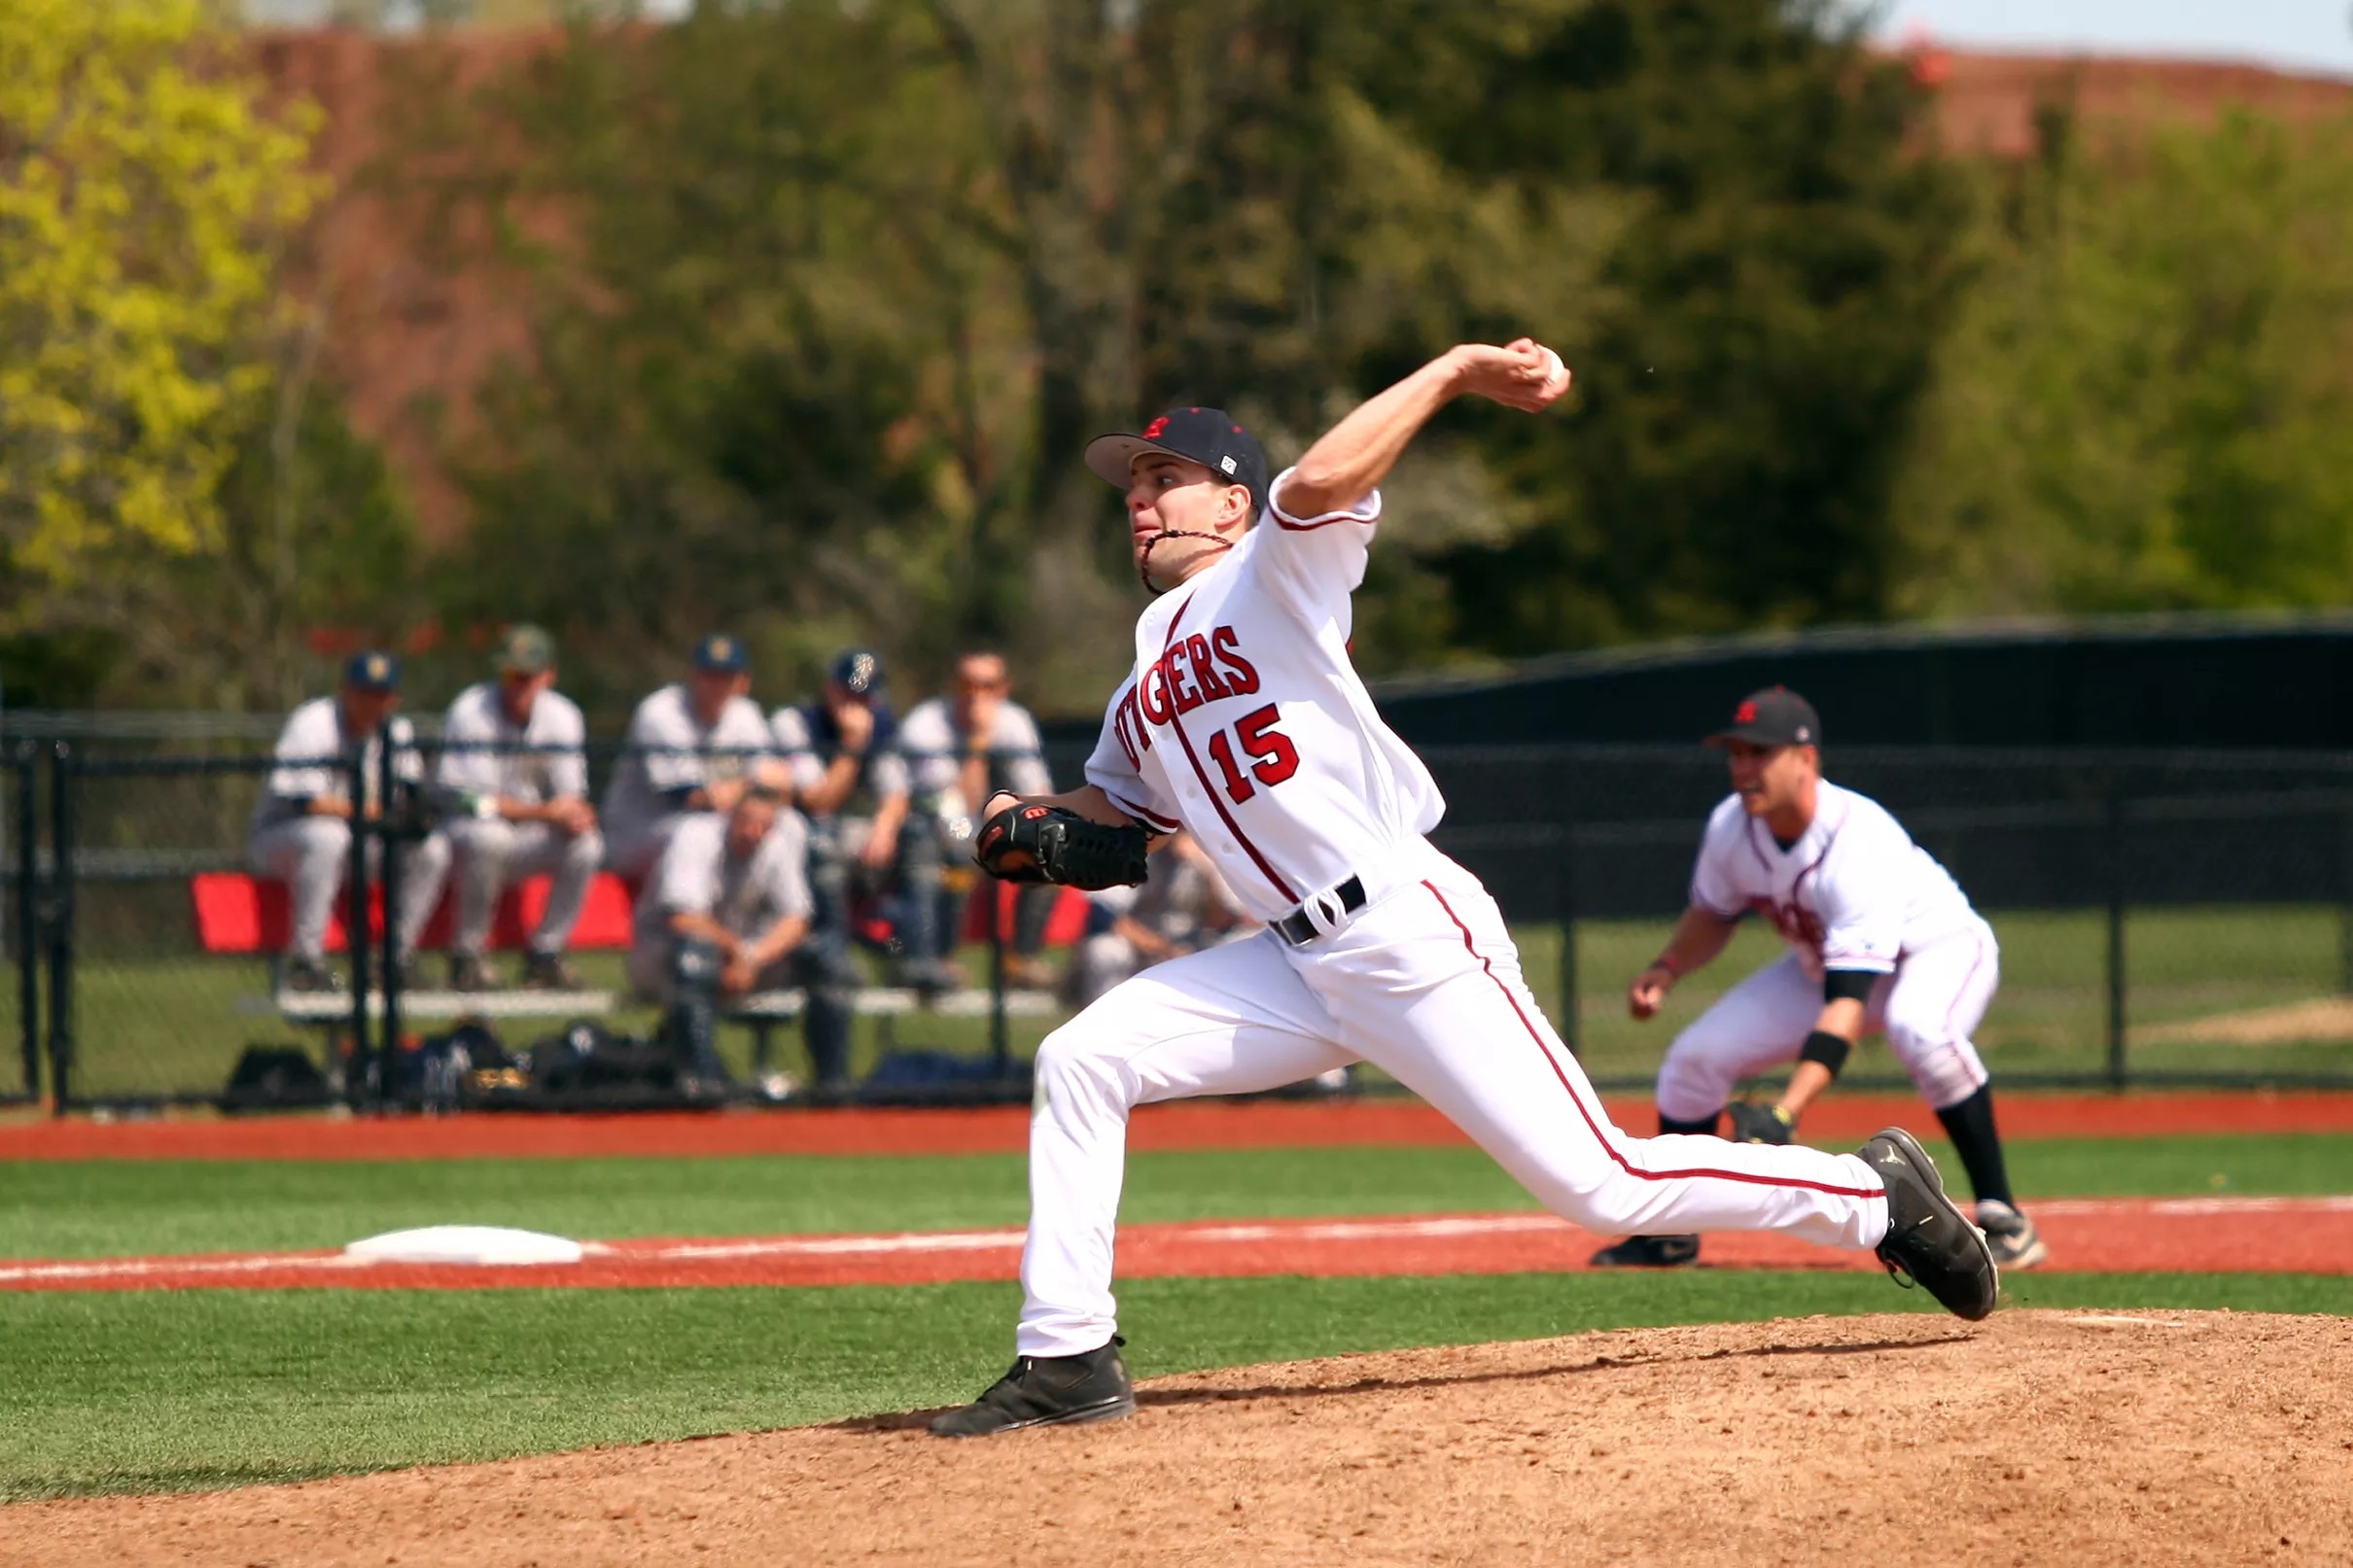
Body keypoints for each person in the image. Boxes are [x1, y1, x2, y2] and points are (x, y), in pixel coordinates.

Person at [931, 349, 2000, 1440]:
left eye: (1164, 475)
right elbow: (1117, 812)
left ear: (1231, 501)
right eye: (1132, 483)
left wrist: (1448, 373)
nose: (1140, 497)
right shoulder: (1144, 669)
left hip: (1403, 930)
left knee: (1603, 1185)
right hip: (1292, 965)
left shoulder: (1272, 573)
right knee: (1080, 1056)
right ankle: (1066, 1353)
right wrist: (1023, 820)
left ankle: (1871, 1196)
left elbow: (1314, 486)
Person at [1594, 686, 2046, 1272]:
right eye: (1735, 753)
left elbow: (1846, 1009)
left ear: (1806, 759)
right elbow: (1713, 913)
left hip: (1935, 951)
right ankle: (1669, 1234)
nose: (1743, 768)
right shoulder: (1732, 826)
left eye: (1760, 753)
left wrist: (1786, 1111)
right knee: (1693, 1059)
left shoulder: (1857, 840)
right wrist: (1667, 967)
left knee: (1920, 1030)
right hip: (1823, 965)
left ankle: (2005, 1216)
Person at [624, 783, 854, 1095]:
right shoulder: (695, 835)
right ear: (730, 815)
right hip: (663, 957)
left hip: (747, 960)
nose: (753, 832)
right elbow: (682, 919)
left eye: (763, 824)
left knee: (828, 961)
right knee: (694, 959)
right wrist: (739, 952)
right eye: (746, 821)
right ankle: (705, 1085)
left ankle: (832, 1085)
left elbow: (797, 920)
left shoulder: (778, 843)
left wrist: (752, 956)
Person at [246, 651, 452, 993]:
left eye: (380, 695)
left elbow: (409, 796)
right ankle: (306, 962)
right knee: (327, 836)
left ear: (393, 699)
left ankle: (393, 960)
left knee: (433, 850)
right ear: (344, 691)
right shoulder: (313, 722)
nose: (371, 703)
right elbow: (306, 801)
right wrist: (378, 812)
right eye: (363, 693)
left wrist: (417, 816)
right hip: (281, 840)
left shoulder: (396, 731)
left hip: (356, 847)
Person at [774, 648, 954, 993]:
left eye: (865, 695)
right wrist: (852, 744)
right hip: (806, 836)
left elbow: (896, 792)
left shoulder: (882, 723)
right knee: (822, 841)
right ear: (829, 688)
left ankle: (920, 958)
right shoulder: (795, 723)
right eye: (849, 693)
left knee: (920, 835)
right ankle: (834, 955)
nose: (858, 703)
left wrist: (884, 830)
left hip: (861, 832)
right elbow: (817, 800)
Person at [435, 624, 602, 992]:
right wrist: (548, 813)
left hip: (524, 837)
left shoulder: (562, 715)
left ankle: (546, 955)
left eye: (528, 675)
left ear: (549, 676)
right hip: (464, 835)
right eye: (512, 674)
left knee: (587, 845)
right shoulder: (471, 709)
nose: (518, 684)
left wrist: (577, 814)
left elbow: (571, 793)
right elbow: (472, 801)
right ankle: (468, 956)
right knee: (489, 836)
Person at [897, 650, 1059, 988]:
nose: (976, 694)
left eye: (987, 686)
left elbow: (1039, 794)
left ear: (1003, 689)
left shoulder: (1015, 722)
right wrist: (978, 743)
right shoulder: (926, 725)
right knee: (958, 850)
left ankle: (1019, 962)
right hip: (938, 825)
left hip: (993, 824)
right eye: (967, 684)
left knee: (1052, 846)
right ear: (954, 686)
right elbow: (958, 804)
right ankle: (937, 962)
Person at [603, 634, 775, 882]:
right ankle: (683, 913)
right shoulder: (661, 712)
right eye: (709, 675)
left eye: (725, 677)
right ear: (692, 675)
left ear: (743, 681)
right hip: (639, 832)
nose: (716, 685)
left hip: (710, 823)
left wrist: (755, 789)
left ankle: (786, 916)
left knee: (787, 827)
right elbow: (695, 798)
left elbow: (777, 784)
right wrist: (753, 784)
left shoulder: (746, 714)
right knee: (701, 830)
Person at [1067, 832, 1250, 1008]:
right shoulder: (1139, 852)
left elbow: (1222, 920)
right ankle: (1102, 1018)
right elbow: (1110, 917)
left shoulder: (1209, 856)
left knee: (1236, 944)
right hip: (1141, 948)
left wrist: (1206, 871)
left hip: (1191, 946)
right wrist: (1165, 948)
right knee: (1106, 950)